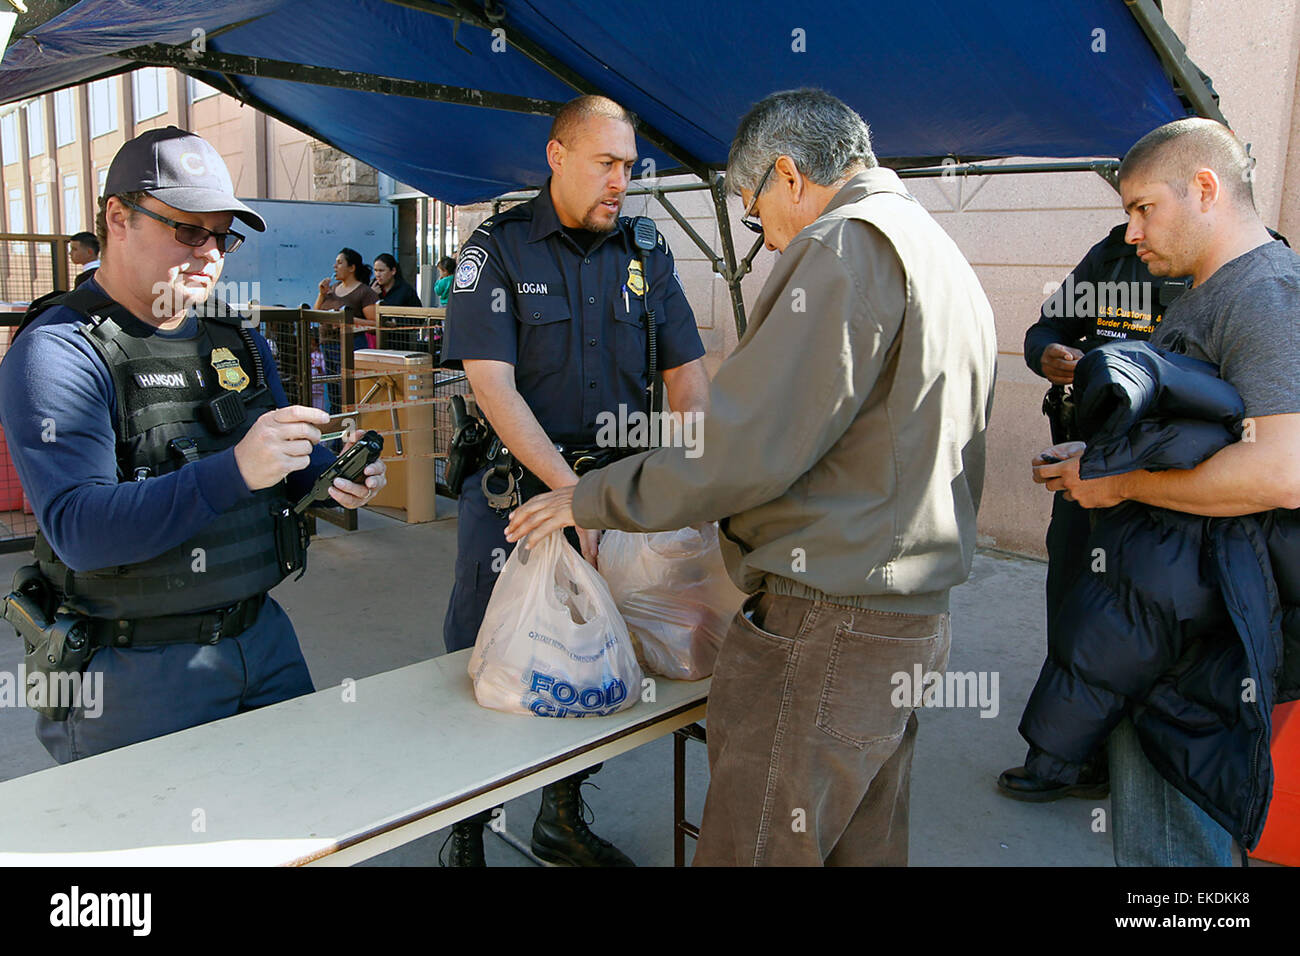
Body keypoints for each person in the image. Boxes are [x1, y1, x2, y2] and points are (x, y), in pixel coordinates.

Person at [507, 88, 997, 866]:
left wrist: (593, 498)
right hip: (906, 619)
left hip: (828, 626)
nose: (765, 239)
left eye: (752, 208)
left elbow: (742, 448)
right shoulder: (934, 251)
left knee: (759, 843)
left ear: (789, 176)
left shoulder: (843, 248)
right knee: (858, 848)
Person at [0, 126, 387, 763]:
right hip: (131, 672)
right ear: (117, 219)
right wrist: (236, 468)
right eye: (189, 230)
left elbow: (274, 463)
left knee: (305, 825)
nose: (211, 252)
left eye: (223, 236)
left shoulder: (236, 340)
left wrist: (327, 473)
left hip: (260, 638)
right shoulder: (60, 351)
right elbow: (80, 529)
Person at [440, 94, 710, 867]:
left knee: (590, 655)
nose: (621, 181)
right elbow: (494, 387)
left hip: (611, 492)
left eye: (628, 166)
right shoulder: (497, 249)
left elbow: (687, 375)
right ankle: (467, 829)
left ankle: (561, 812)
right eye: (606, 164)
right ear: (557, 157)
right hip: (516, 498)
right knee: (490, 658)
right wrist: (571, 500)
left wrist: (706, 478)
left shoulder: (645, 251)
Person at [1034, 117, 1300, 865]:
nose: (1133, 230)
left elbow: (1281, 470)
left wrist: (1120, 485)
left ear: (1206, 188)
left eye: (1144, 207)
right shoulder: (1206, 294)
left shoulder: (1266, 294)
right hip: (1168, 626)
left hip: (1206, 655)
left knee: (1178, 854)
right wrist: (1101, 455)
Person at [996, 226, 1188, 803]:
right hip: (1090, 464)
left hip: (1177, 483)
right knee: (1072, 603)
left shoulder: (1249, 267)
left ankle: (1153, 771)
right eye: (1129, 204)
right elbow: (1047, 328)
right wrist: (1045, 354)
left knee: (1158, 623)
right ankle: (1067, 755)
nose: (1135, 224)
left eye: (1145, 202)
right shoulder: (1117, 251)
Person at [315, 247, 380, 407]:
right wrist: (321, 294)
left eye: (339, 263)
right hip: (328, 345)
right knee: (332, 391)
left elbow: (375, 325)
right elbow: (315, 314)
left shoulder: (364, 292)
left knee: (348, 391)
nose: (334, 267)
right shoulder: (332, 289)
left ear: (352, 268)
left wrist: (347, 320)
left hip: (351, 345)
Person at [371, 253, 423, 352]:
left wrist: (396, 323)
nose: (378, 274)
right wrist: (371, 295)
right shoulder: (372, 288)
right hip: (375, 343)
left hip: (398, 343)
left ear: (393, 271)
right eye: (375, 270)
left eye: (381, 270)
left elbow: (418, 318)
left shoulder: (405, 290)